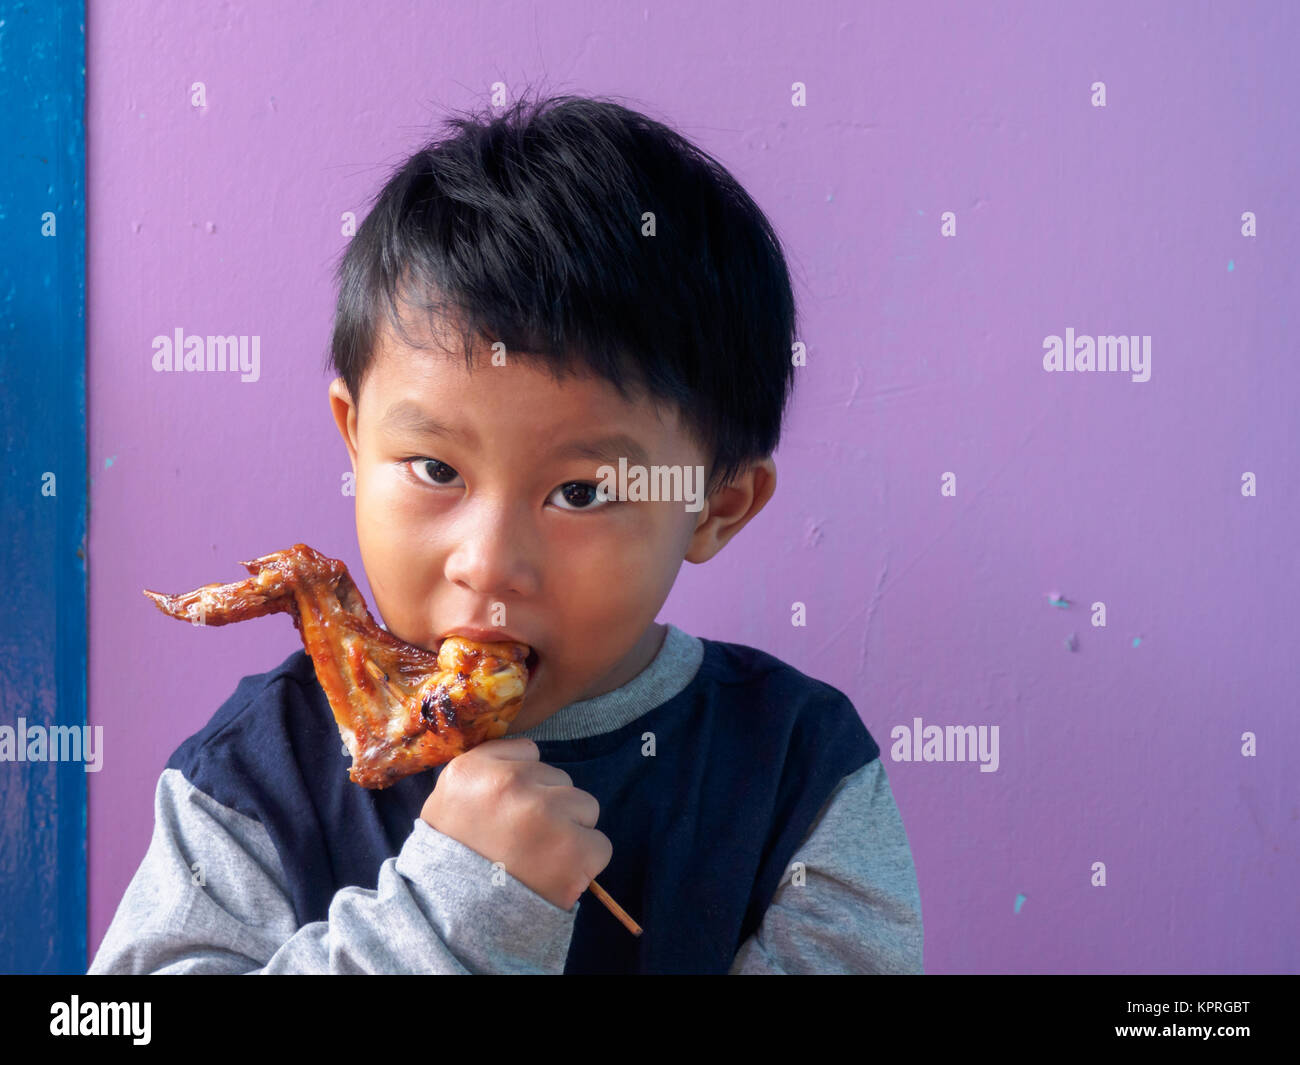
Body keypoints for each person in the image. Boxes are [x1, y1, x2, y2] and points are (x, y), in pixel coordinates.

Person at [89, 92, 923, 974]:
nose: (486, 564)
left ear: (716, 506)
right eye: (436, 470)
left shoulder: (800, 773)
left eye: (579, 490)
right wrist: (451, 917)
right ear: (355, 436)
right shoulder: (257, 777)